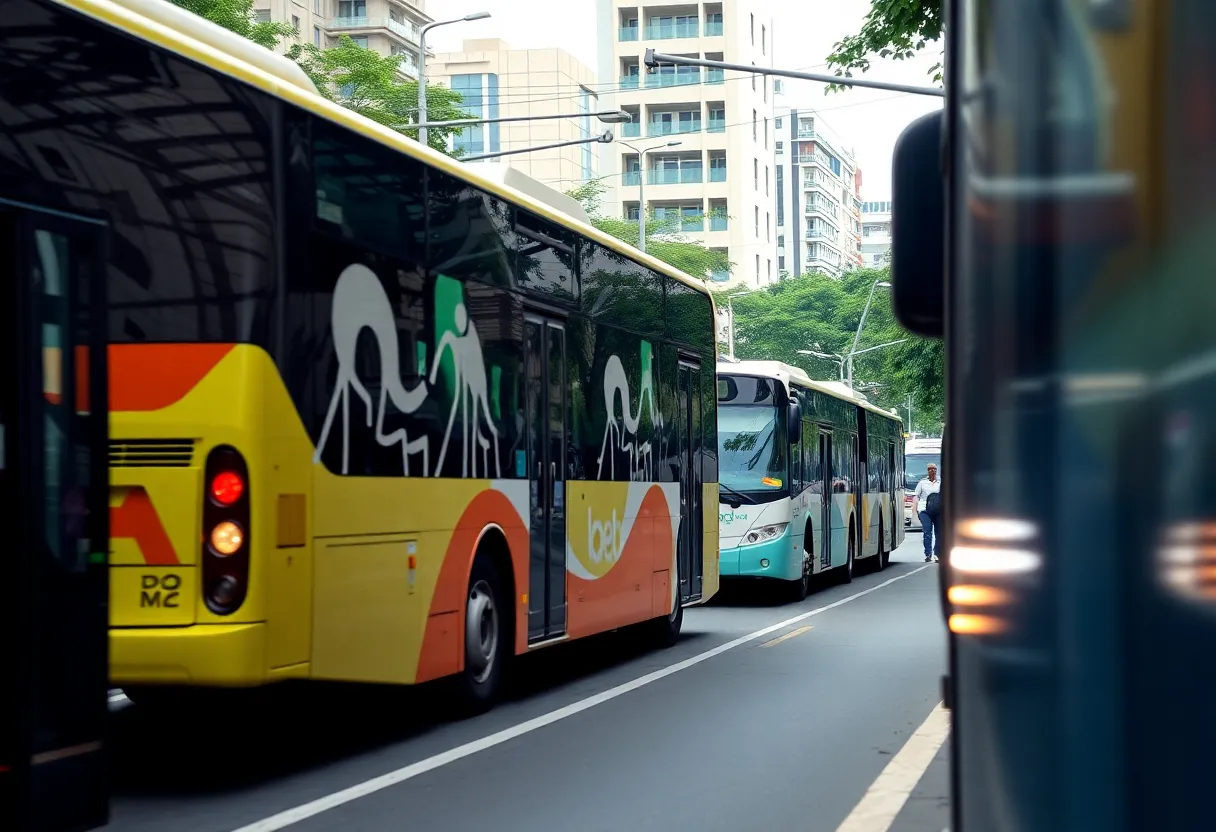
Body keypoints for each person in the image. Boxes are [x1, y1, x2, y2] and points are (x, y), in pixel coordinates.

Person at [914, 462, 942, 563]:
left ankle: (937, 554)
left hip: (938, 510)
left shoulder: (940, 482)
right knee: (927, 532)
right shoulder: (922, 482)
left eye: (934, 469)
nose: (932, 471)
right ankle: (928, 553)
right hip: (925, 510)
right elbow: (916, 496)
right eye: (930, 469)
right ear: (927, 471)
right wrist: (915, 509)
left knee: (939, 533)